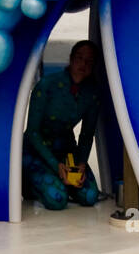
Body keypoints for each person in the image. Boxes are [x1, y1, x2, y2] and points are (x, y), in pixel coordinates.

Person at [22, 41, 102, 211]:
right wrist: (55, 166)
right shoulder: (46, 85)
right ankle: (30, 183)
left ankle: (60, 181)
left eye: (89, 61)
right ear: (71, 59)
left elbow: (87, 135)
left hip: (66, 151)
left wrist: (81, 164)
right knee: (57, 200)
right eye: (80, 58)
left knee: (90, 196)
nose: (83, 64)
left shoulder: (92, 93)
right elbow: (32, 132)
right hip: (38, 151)